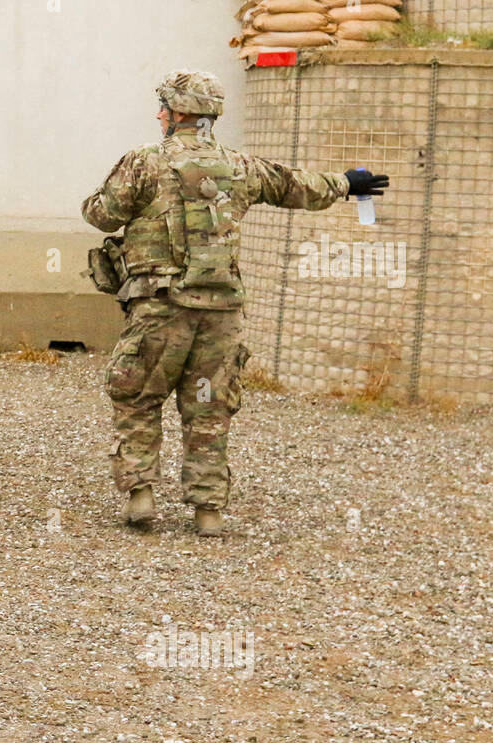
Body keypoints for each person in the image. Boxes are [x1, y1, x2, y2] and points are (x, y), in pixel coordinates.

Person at [82, 69, 388, 536]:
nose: (159, 113)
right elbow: (296, 186)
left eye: (164, 106)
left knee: (137, 395)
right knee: (209, 408)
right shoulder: (242, 166)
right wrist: (349, 183)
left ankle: (141, 494)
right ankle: (208, 512)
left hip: (159, 309)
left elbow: (102, 215)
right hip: (221, 315)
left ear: (179, 112)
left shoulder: (144, 162)